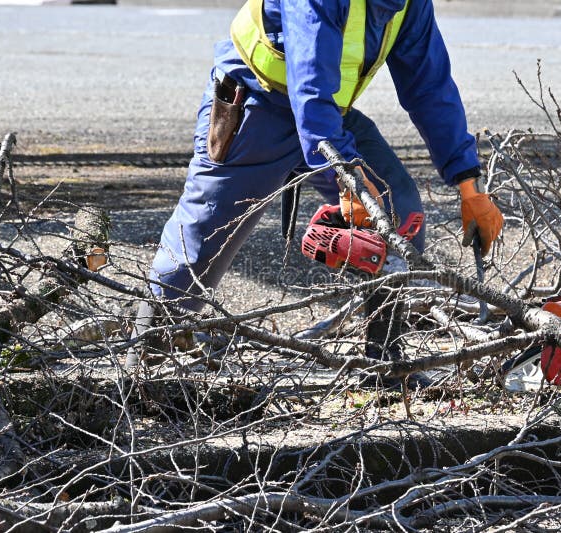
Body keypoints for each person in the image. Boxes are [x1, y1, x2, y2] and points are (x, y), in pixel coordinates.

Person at [128, 0, 504, 380]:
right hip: (256, 106)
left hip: (328, 117)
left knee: (396, 211)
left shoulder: (408, 3)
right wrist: (346, 174)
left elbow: (429, 85)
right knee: (200, 241)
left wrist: (469, 183)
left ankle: (385, 368)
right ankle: (144, 367)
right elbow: (310, 83)